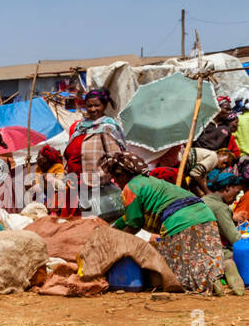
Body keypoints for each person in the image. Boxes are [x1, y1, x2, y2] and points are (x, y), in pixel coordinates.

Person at [102, 152, 224, 294]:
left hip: (179, 220)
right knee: (201, 256)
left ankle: (198, 284)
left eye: (116, 179)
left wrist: (115, 244)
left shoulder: (130, 189)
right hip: (205, 214)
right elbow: (129, 218)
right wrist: (112, 228)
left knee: (172, 270)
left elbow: (134, 223)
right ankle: (214, 278)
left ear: (121, 175)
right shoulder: (150, 180)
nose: (117, 183)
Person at [65, 89, 126, 190]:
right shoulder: (79, 127)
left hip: (97, 186)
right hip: (75, 185)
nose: (93, 109)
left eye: (97, 105)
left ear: (104, 106)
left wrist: (103, 176)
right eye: (89, 106)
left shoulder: (107, 128)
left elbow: (116, 158)